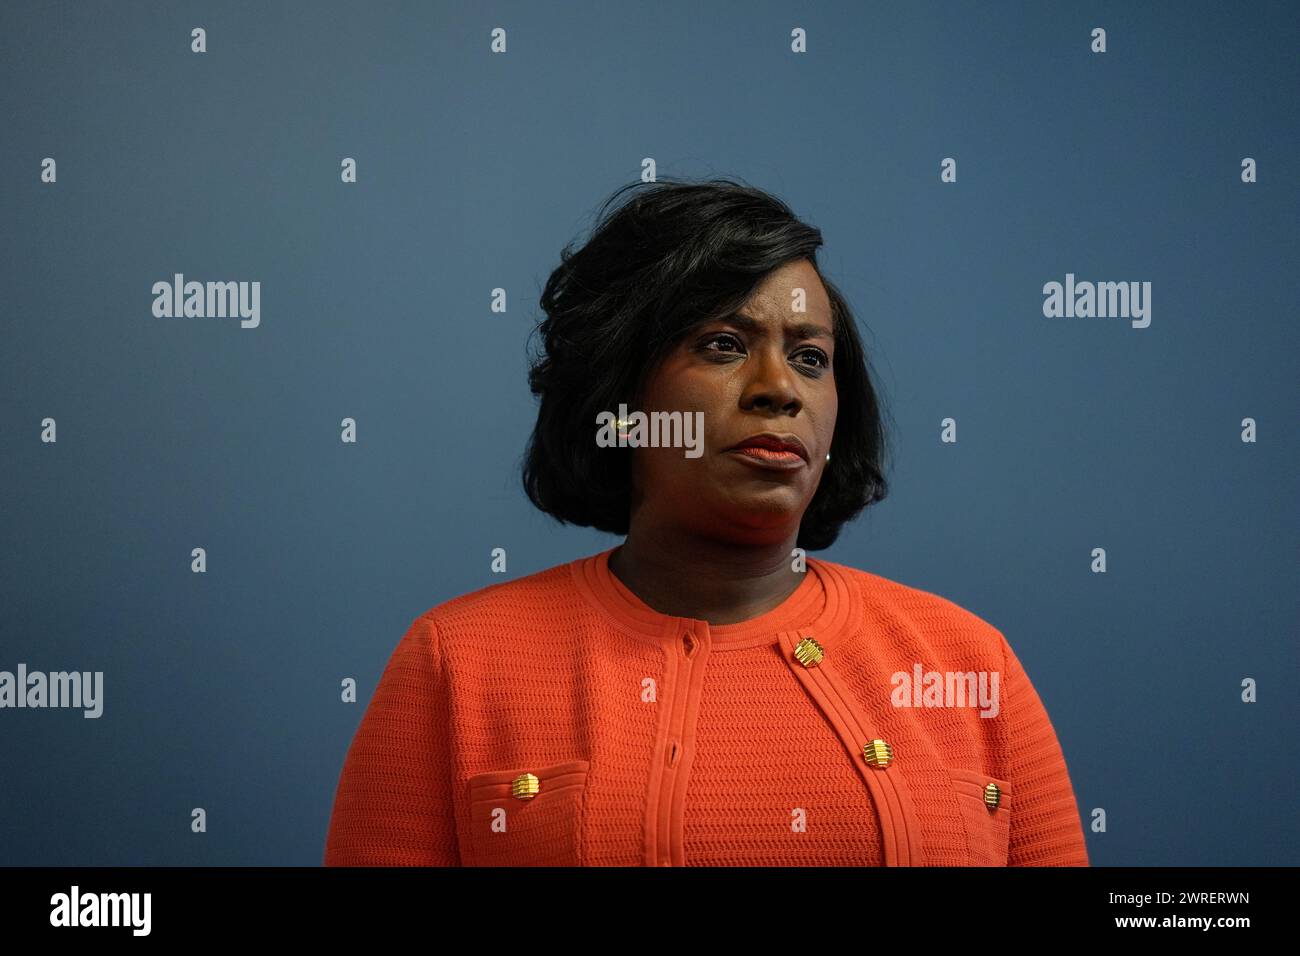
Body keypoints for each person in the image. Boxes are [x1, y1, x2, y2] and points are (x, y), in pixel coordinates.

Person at [323, 177, 1090, 866]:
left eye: (811, 358)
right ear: (620, 403)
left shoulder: (965, 661)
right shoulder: (456, 663)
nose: (778, 389)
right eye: (724, 345)